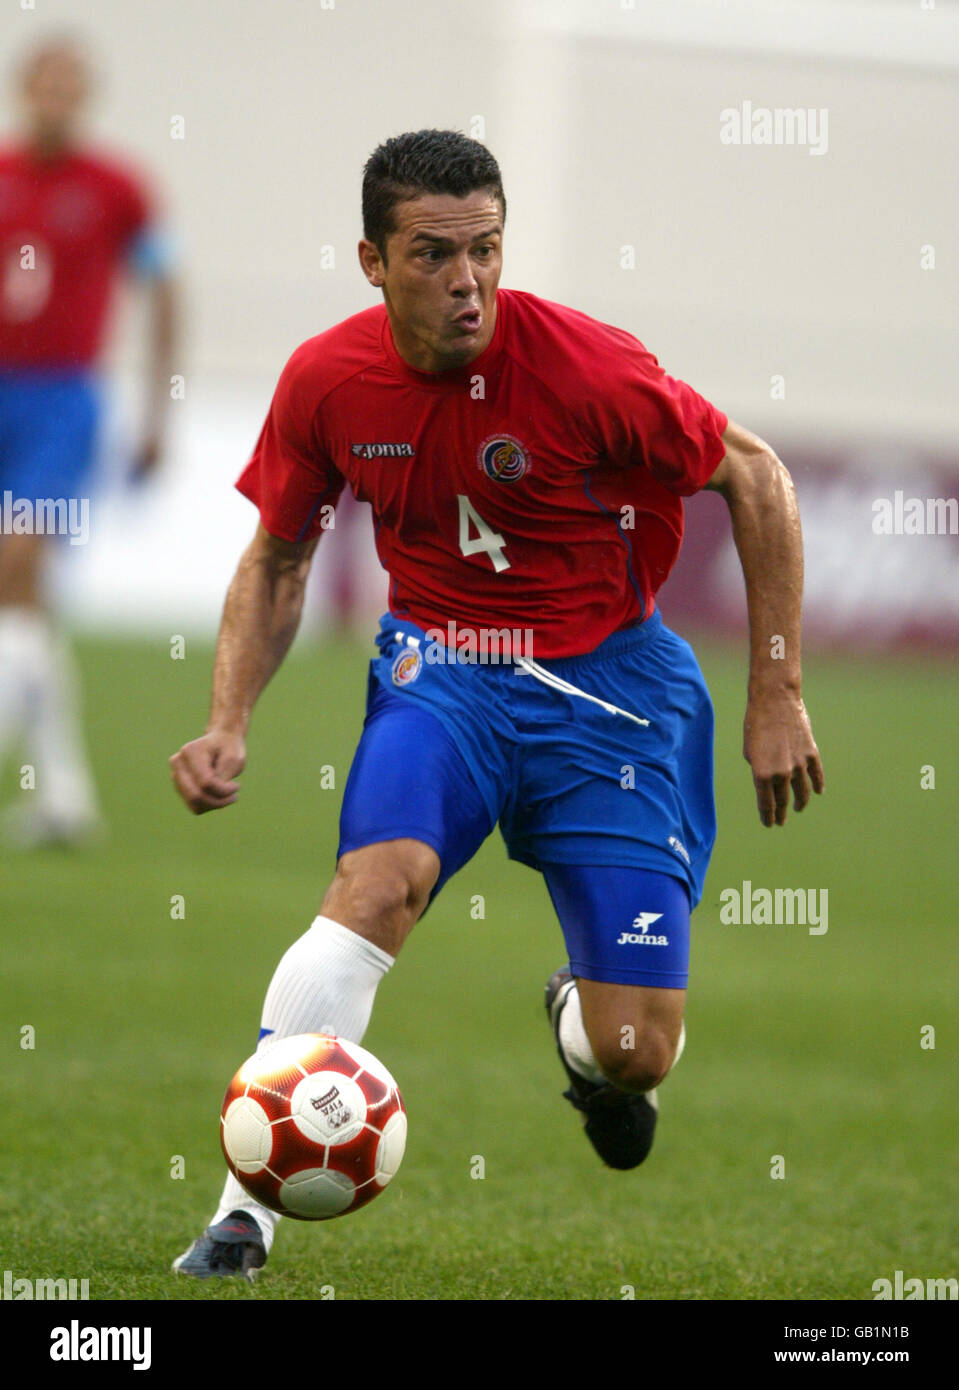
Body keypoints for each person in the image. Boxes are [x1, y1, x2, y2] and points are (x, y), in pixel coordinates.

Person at [169, 129, 824, 1280]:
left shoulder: (585, 368)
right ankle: (241, 1212)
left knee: (636, 1053)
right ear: (371, 260)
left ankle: (579, 1026)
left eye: (484, 250)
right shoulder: (326, 381)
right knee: (373, 889)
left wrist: (773, 688)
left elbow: (754, 475)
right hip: (446, 672)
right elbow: (276, 558)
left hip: (613, 693)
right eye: (431, 254)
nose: (466, 280)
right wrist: (230, 718)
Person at [0, 35, 177, 846]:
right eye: (46, 84)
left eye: (71, 86)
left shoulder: (118, 189)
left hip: (63, 400)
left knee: (19, 564)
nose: (56, 99)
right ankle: (64, 792)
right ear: (23, 90)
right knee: (28, 603)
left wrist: (157, 412)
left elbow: (165, 289)